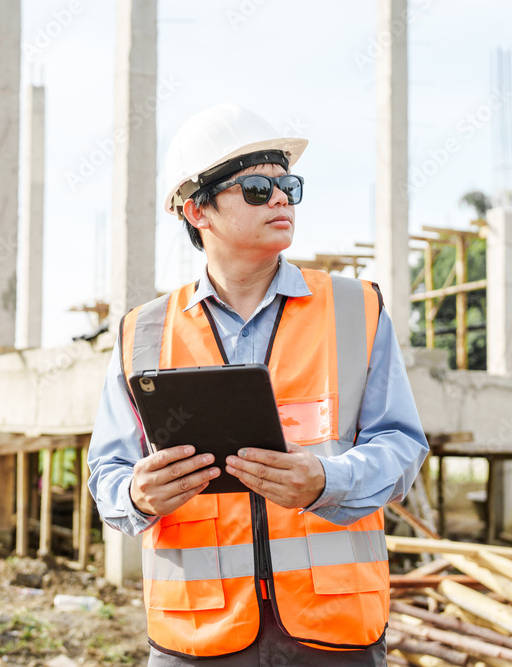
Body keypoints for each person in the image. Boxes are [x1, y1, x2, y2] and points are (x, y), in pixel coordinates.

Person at [88, 103, 429, 666]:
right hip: (196, 634)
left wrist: (328, 479)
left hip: (333, 631)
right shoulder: (142, 333)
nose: (280, 200)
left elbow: (402, 447)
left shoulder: (354, 309)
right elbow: (108, 474)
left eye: (287, 187)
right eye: (256, 189)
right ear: (197, 209)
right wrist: (135, 495)